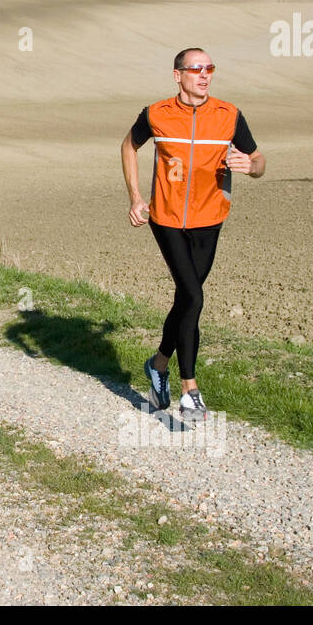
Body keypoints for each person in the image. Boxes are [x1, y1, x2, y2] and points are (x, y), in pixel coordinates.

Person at [119, 48, 265, 422]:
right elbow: (128, 146)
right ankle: (190, 390)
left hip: (210, 218)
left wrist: (249, 166)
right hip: (166, 219)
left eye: (209, 69)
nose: (204, 75)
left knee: (187, 300)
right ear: (177, 75)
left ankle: (158, 364)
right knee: (194, 296)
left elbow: (260, 160)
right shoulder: (156, 114)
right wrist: (136, 196)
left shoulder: (229, 115)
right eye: (196, 69)